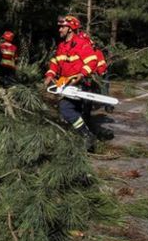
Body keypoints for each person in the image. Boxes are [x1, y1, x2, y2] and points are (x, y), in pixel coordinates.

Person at [42, 15, 110, 151]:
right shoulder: (62, 46)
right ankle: (86, 139)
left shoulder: (81, 43)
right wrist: (50, 75)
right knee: (76, 113)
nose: (60, 29)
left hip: (81, 84)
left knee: (66, 109)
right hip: (67, 84)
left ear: (71, 28)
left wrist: (81, 74)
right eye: (60, 27)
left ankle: (87, 136)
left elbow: (92, 61)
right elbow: (55, 63)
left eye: (63, 27)